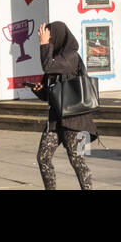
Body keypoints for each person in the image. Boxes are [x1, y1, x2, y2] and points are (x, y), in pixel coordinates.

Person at [28, 21, 96, 190]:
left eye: (50, 39)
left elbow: (47, 66)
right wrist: (39, 91)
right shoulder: (55, 60)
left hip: (77, 120)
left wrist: (43, 44)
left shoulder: (71, 57)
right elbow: (50, 95)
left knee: (77, 160)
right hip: (56, 119)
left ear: (58, 38)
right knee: (43, 157)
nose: (48, 43)